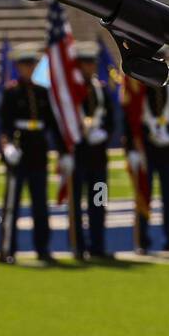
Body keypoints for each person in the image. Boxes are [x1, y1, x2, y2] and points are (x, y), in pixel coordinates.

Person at [0, 43, 61, 264]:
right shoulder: (11, 92)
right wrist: (7, 147)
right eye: (24, 65)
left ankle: (43, 248)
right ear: (17, 67)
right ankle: (7, 250)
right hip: (19, 151)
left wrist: (63, 151)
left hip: (38, 153)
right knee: (12, 205)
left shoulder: (43, 92)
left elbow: (52, 124)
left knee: (41, 206)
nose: (29, 68)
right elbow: (5, 125)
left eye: (31, 64)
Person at [127, 50, 169, 253]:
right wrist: (132, 148)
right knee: (144, 195)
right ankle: (142, 241)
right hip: (146, 150)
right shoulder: (138, 86)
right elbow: (131, 118)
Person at [70, 41, 115, 261]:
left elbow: (112, 120)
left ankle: (98, 244)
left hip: (98, 158)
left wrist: (104, 134)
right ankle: (79, 246)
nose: (91, 66)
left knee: (99, 201)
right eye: (86, 63)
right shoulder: (70, 92)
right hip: (78, 157)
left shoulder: (102, 90)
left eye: (92, 63)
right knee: (77, 203)